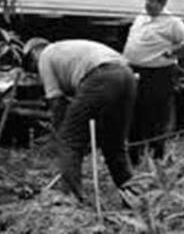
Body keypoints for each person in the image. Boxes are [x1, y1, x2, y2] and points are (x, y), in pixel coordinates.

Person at [24, 37, 137, 201]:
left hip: (100, 77)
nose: (36, 71)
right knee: (114, 144)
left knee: (69, 140)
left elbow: (56, 102)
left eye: (32, 66)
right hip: (127, 75)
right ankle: (133, 196)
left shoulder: (45, 56)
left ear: (33, 54)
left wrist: (60, 134)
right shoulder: (65, 51)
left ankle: (70, 198)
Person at [122, 0, 184, 165]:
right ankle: (134, 156)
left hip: (158, 74)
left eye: (151, 1)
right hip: (135, 70)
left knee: (156, 115)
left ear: (162, 3)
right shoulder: (141, 17)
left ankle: (157, 157)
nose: (147, 4)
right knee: (134, 113)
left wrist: (172, 54)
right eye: (146, 0)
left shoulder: (172, 22)